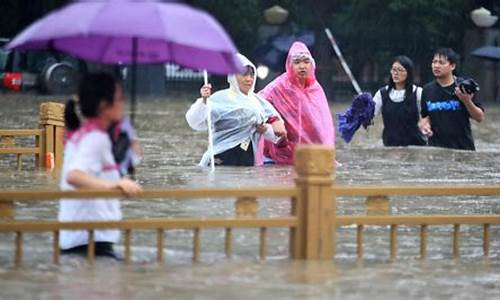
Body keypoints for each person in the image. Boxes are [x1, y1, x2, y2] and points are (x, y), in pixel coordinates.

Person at [60, 72, 142, 258]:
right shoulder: (95, 139)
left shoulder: (85, 134)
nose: (123, 103)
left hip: (83, 237)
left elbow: (105, 170)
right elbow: (74, 176)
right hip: (90, 241)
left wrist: (130, 143)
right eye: (119, 98)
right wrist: (115, 185)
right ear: (104, 106)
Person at [185, 53, 286, 166]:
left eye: (252, 75)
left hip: (247, 157)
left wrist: (266, 129)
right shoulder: (220, 98)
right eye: (244, 75)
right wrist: (204, 101)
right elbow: (195, 122)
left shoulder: (258, 102)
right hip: (222, 156)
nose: (249, 79)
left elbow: (278, 136)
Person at [258, 41, 335, 165]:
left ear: (312, 65)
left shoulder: (315, 89)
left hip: (308, 154)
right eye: (297, 62)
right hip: (281, 152)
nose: (302, 66)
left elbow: (324, 124)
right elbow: (258, 102)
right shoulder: (279, 86)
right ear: (289, 65)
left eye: (306, 61)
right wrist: (274, 120)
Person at [419, 48, 485, 151]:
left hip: (463, 149)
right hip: (436, 150)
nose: (436, 65)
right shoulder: (427, 89)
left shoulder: (464, 87)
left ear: (452, 66)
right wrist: (424, 125)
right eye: (434, 62)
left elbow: (479, 117)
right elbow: (425, 116)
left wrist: (466, 101)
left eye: (441, 63)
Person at [372, 55, 426, 146]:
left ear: (408, 73)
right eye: (393, 70)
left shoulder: (418, 92)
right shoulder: (382, 94)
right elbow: (370, 116)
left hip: (414, 145)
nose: (396, 73)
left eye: (400, 70)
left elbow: (428, 115)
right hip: (389, 145)